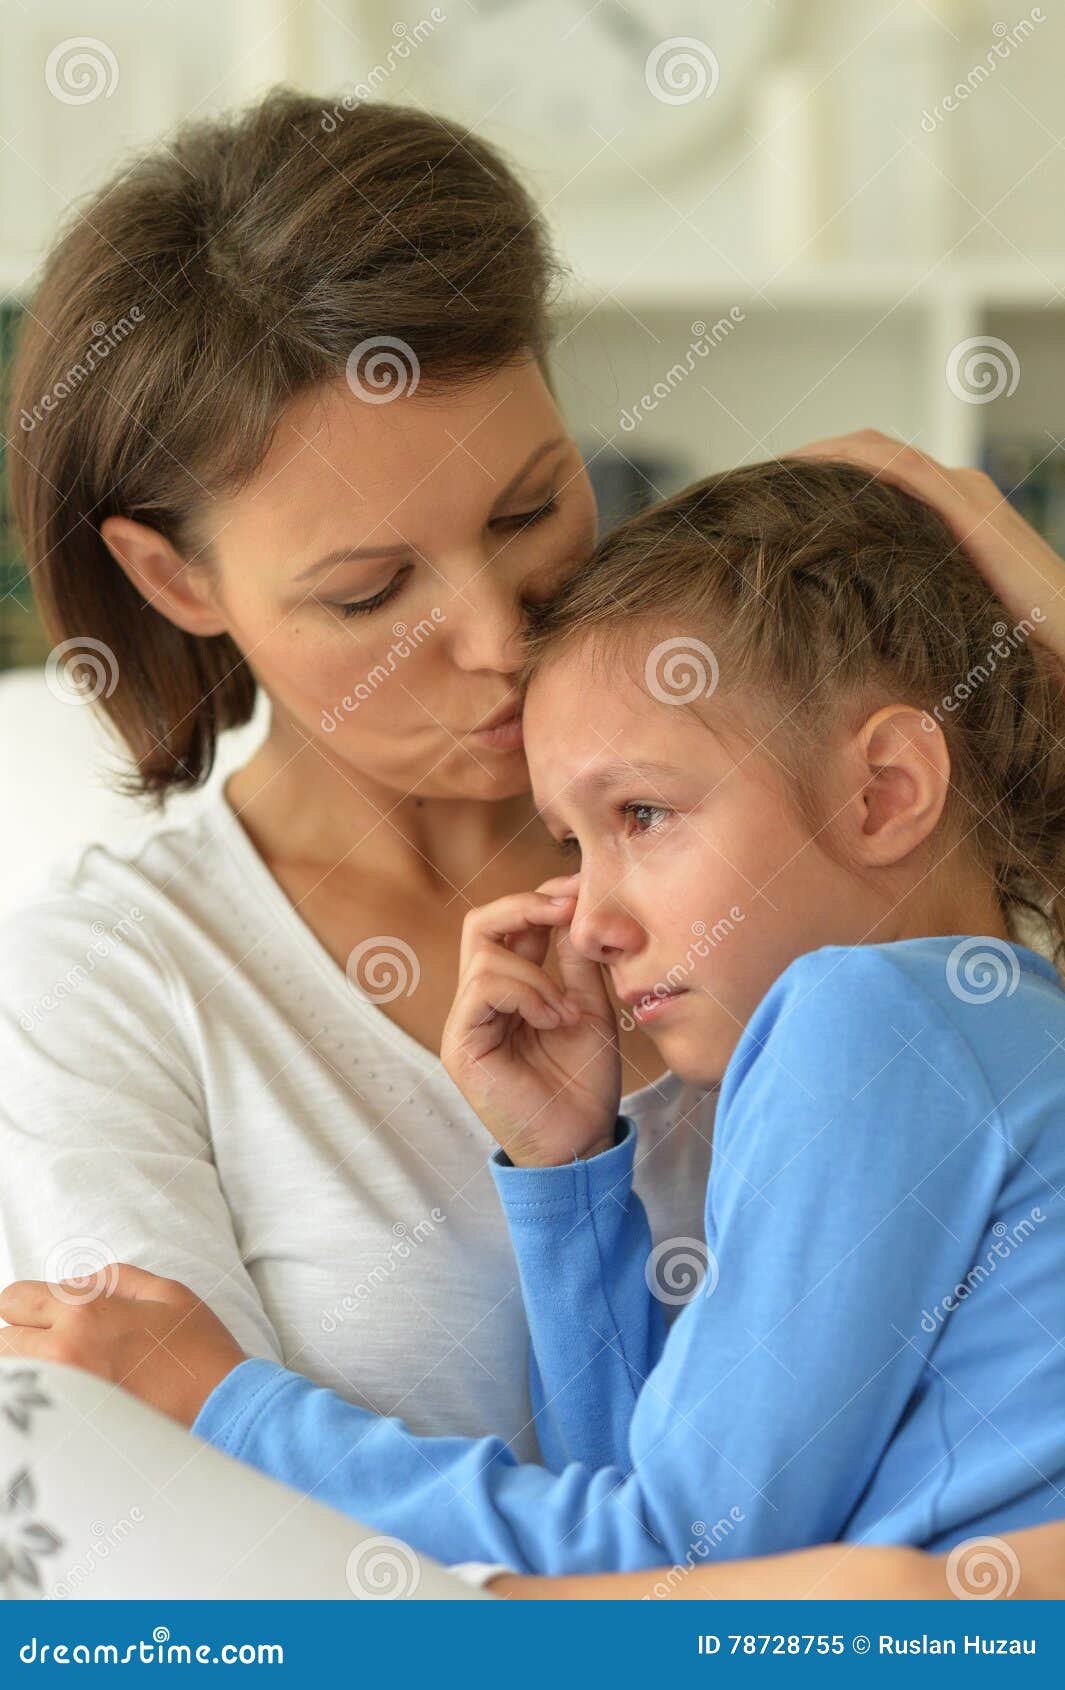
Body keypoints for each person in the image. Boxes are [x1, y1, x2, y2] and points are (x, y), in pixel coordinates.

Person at [5, 460, 1064, 1592]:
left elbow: (674, 1556)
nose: (595, 922)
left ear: (886, 790)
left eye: (643, 815)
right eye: (570, 844)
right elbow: (656, 1557)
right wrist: (570, 1180)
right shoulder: (996, 1028)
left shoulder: (869, 1018)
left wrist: (226, 1405)